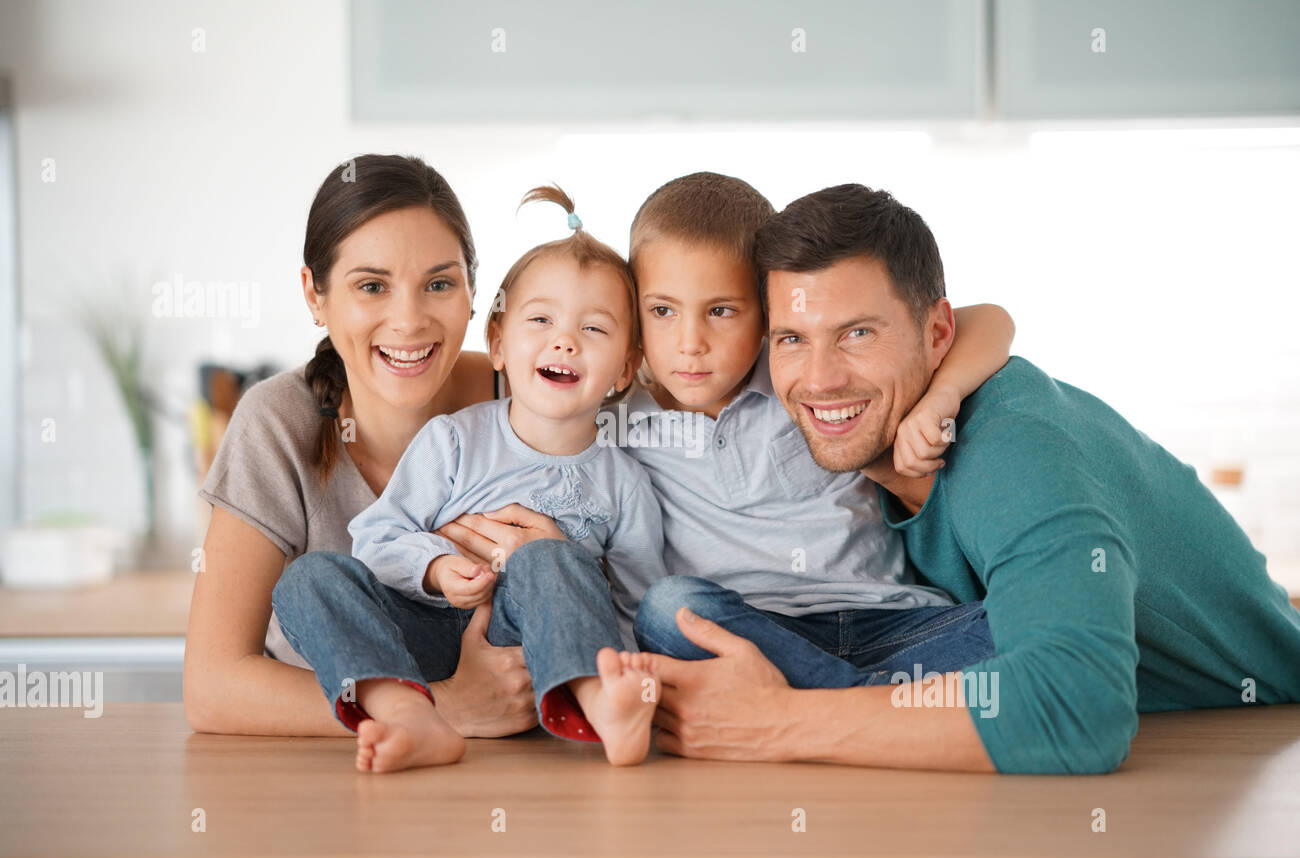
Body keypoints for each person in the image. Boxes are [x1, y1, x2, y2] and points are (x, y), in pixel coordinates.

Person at [638, 182, 1300, 774]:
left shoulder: (1013, 451)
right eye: (791, 338)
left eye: (858, 332)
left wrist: (774, 721)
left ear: (937, 333)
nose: (820, 378)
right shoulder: (856, 437)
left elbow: (1079, 709)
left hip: (1253, 738)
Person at [271, 186, 667, 770]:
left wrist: (610, 644)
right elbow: (377, 541)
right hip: (423, 631)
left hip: (530, 654)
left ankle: (599, 704)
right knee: (308, 578)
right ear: (500, 344)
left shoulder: (625, 483)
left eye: (595, 330)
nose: (564, 340)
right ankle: (409, 717)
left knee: (545, 557)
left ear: (625, 369)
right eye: (541, 320)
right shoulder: (453, 440)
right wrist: (432, 568)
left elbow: (641, 606)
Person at [184, 155, 564, 738]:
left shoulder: (543, 395)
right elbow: (213, 687)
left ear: (471, 291)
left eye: (439, 283)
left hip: (530, 769)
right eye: (371, 286)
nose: (408, 321)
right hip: (348, 783)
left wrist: (570, 560)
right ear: (315, 294)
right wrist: (442, 707)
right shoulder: (278, 423)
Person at [620, 172, 1012, 690]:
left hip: (893, 622)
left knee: (1031, 620)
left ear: (767, 312)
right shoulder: (618, 409)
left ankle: (827, 698)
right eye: (663, 310)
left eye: (721, 311)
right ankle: (867, 699)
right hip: (752, 633)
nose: (691, 342)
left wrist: (940, 399)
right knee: (671, 608)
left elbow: (990, 320)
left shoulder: (804, 375)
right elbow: (518, 361)